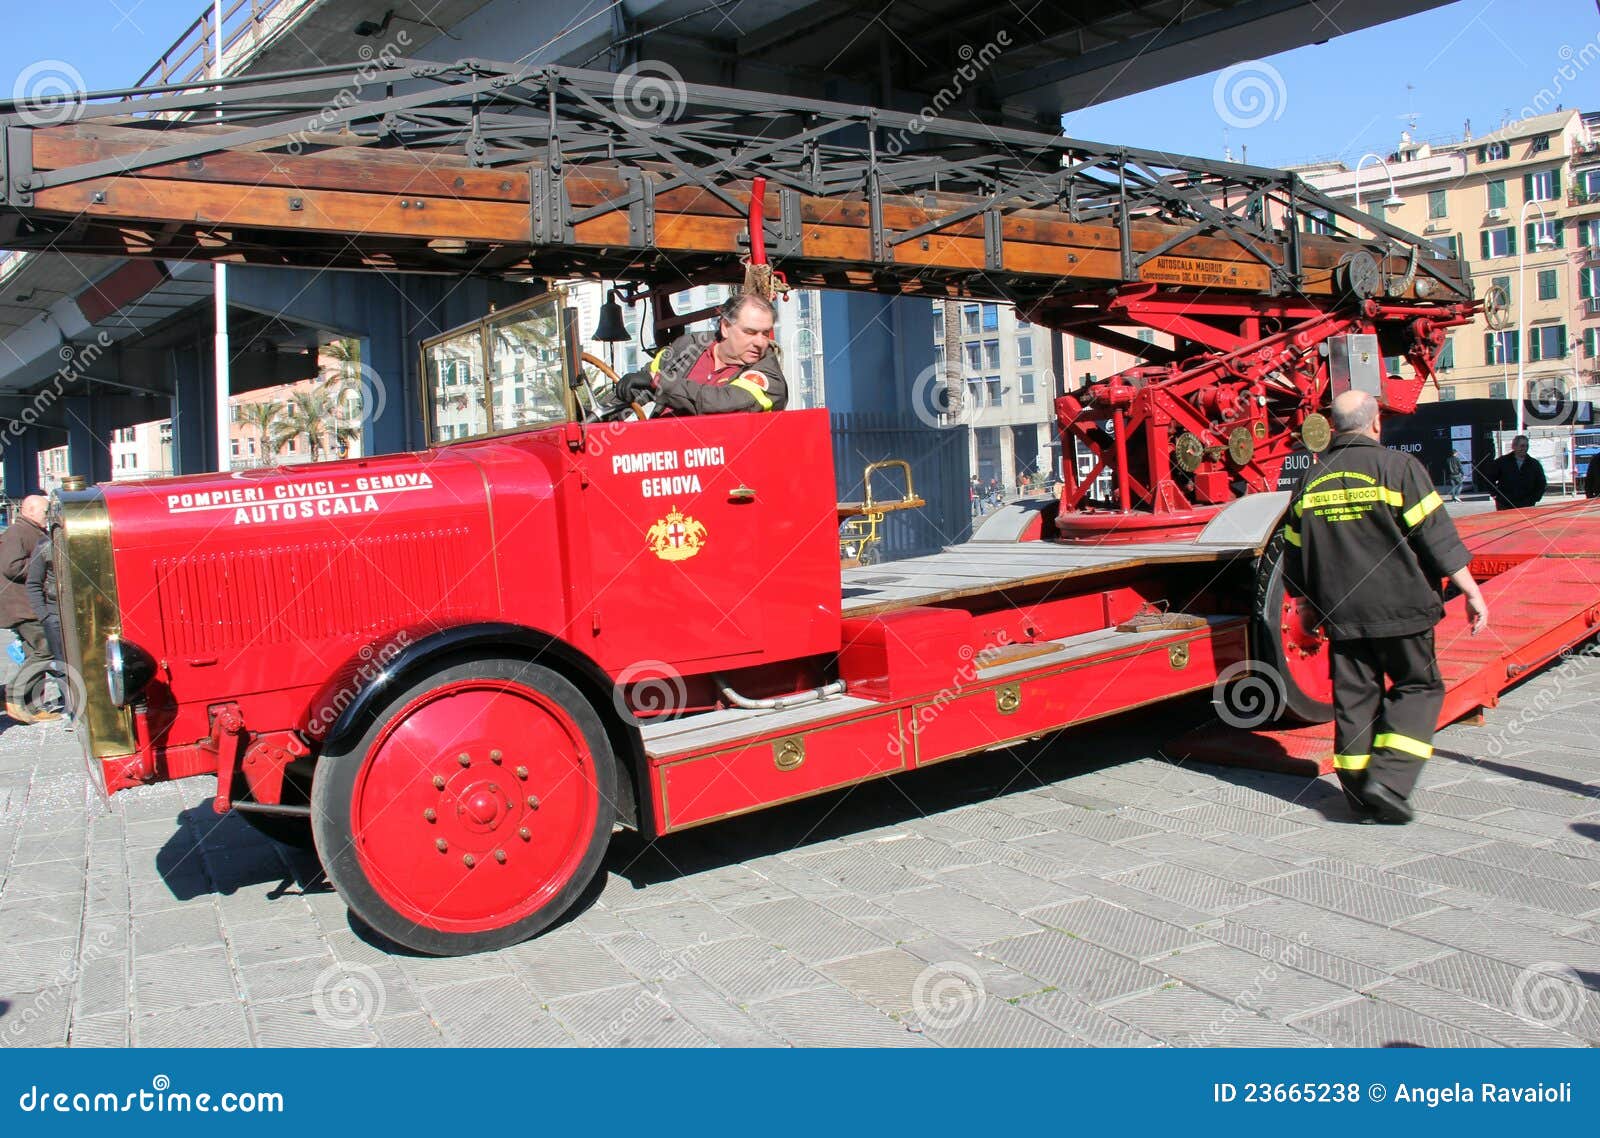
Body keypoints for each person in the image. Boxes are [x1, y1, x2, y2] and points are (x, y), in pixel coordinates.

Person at [1282, 391, 1489, 824]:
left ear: (1334, 428)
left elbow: (1294, 554)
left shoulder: (1310, 481)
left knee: (1355, 699)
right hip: (1403, 608)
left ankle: (1359, 797)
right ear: (1376, 424)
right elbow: (1436, 539)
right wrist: (1471, 591)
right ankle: (1390, 780)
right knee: (1419, 687)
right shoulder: (1400, 469)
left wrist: (1303, 607)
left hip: (1340, 613)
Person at [616, 292, 787, 415]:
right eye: (750, 332)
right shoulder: (686, 346)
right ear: (725, 327)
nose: (760, 342)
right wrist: (596, 414)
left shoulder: (769, 377)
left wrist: (658, 382)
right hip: (661, 452)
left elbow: (723, 403)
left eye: (765, 333)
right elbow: (641, 383)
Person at [1, 495, 58, 724]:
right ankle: (14, 696)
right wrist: (43, 569)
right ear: (30, 510)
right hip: (22, 607)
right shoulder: (17, 532)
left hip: (26, 605)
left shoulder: (32, 531)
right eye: (45, 512)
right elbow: (10, 566)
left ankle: (31, 705)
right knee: (47, 647)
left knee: (34, 651)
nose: (48, 516)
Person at [1485, 435, 1546, 510]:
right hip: (1505, 504)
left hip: (1527, 504)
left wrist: (1535, 497)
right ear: (1514, 446)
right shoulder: (1502, 462)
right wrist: (1496, 495)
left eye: (1527, 446)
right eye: (1522, 446)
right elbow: (1489, 479)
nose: (1524, 448)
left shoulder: (1534, 464)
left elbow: (1541, 483)